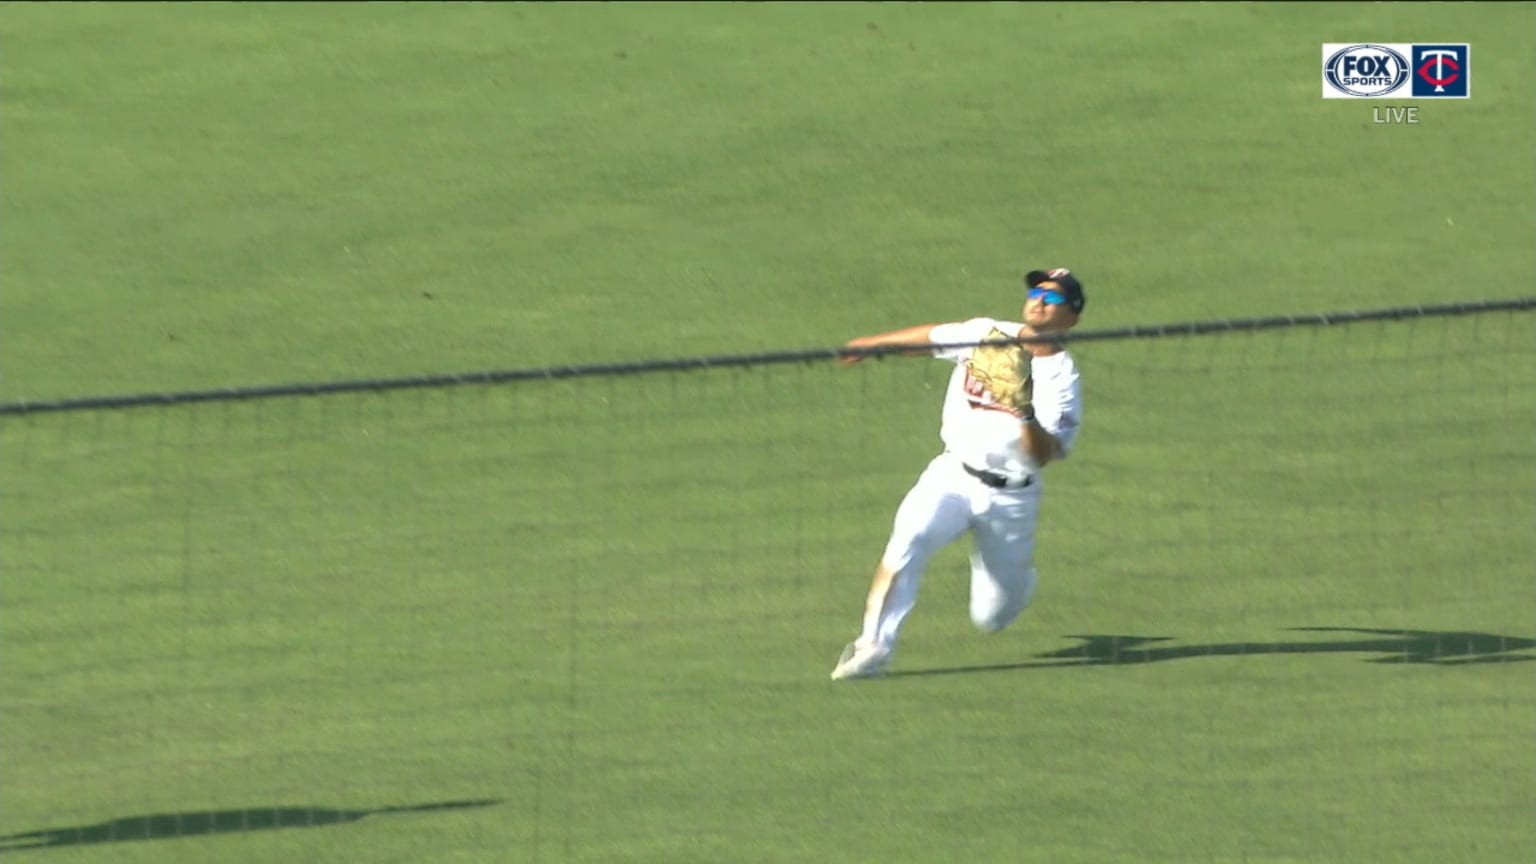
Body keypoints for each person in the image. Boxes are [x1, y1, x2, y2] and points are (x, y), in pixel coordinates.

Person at [829, 267, 1087, 680]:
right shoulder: (989, 334)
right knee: (908, 539)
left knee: (992, 617)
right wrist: (872, 345)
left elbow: (1045, 455)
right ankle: (873, 645)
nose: (1039, 300)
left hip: (1011, 497)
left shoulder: (1061, 378)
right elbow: (932, 339)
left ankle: (1018, 584)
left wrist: (1023, 409)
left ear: (1071, 317)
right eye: (1036, 291)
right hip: (952, 475)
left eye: (1053, 298)